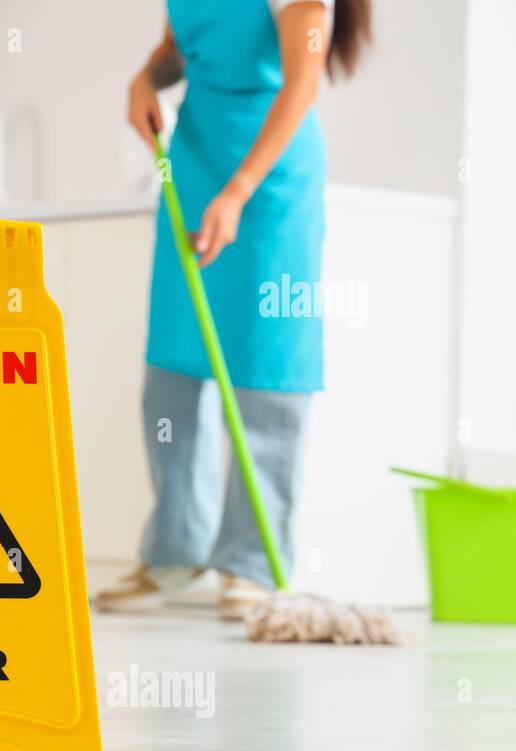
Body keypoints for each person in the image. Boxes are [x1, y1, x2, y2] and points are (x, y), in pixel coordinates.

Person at [97, 0, 371, 619]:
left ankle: (250, 561)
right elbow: (177, 47)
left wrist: (241, 190)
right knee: (174, 360)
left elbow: (302, 84)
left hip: (270, 181)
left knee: (267, 366)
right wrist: (146, 77)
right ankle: (172, 554)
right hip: (195, 165)